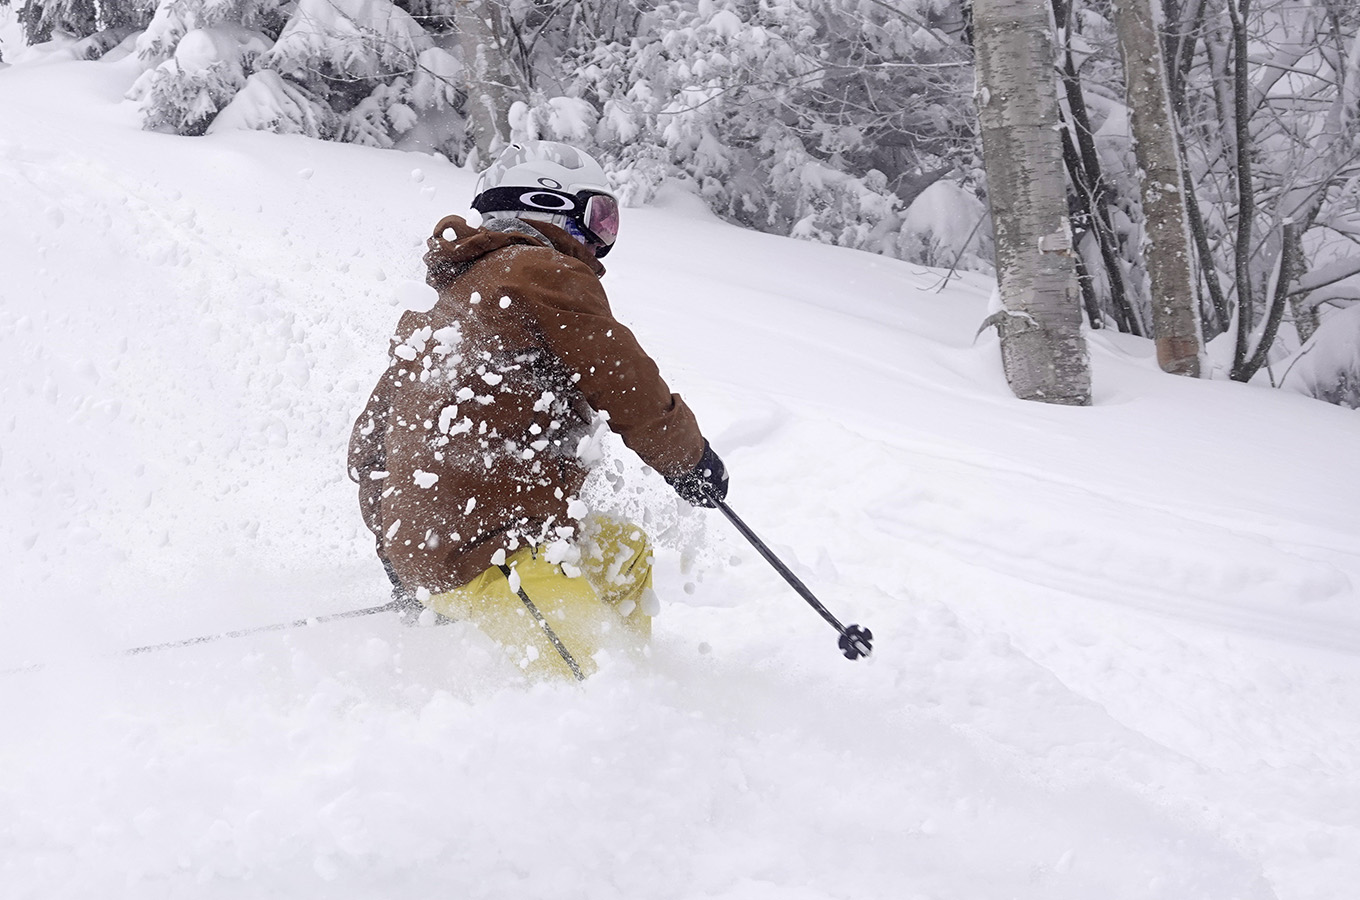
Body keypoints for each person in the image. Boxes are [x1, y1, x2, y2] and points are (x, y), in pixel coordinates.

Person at [348, 141, 728, 680]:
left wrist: (402, 559)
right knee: (582, 676)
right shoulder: (538, 270)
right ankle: (594, 715)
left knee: (623, 552)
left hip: (481, 538)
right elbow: (622, 377)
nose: (601, 242)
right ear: (547, 205)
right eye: (598, 216)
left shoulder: (457, 301)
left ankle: (641, 683)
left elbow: (369, 448)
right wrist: (687, 461)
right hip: (490, 550)